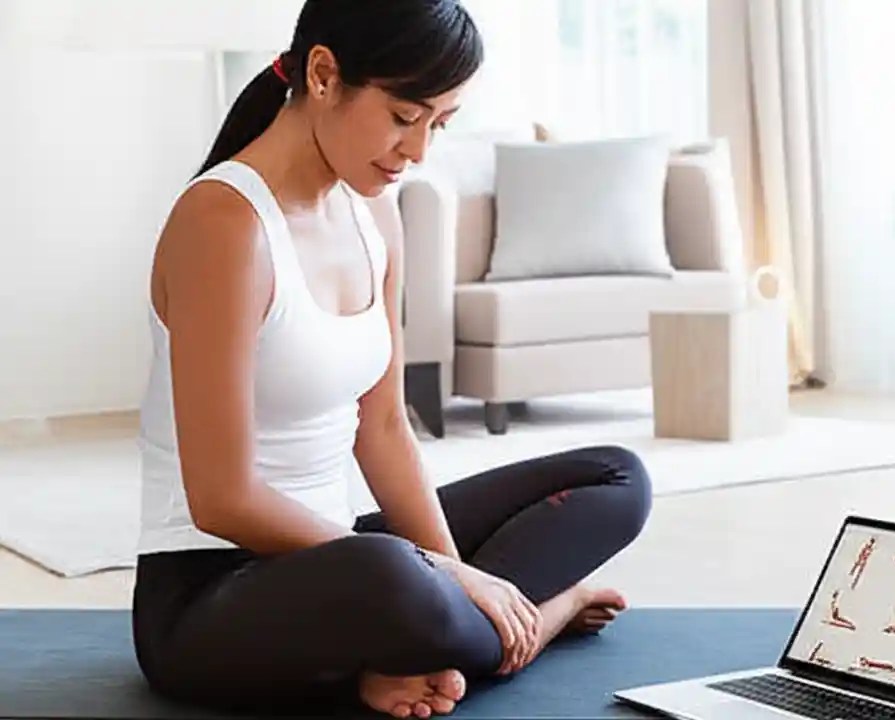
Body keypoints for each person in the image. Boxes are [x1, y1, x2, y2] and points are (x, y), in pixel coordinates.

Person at [130, 2, 652, 718]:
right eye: (405, 116)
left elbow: (381, 429)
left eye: (440, 124)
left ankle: (421, 643)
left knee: (617, 478)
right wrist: (444, 574)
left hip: (345, 561)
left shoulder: (372, 213)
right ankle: (537, 616)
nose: (418, 151)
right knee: (388, 570)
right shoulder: (223, 224)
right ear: (323, 74)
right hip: (210, 598)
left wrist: (461, 575)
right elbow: (221, 499)